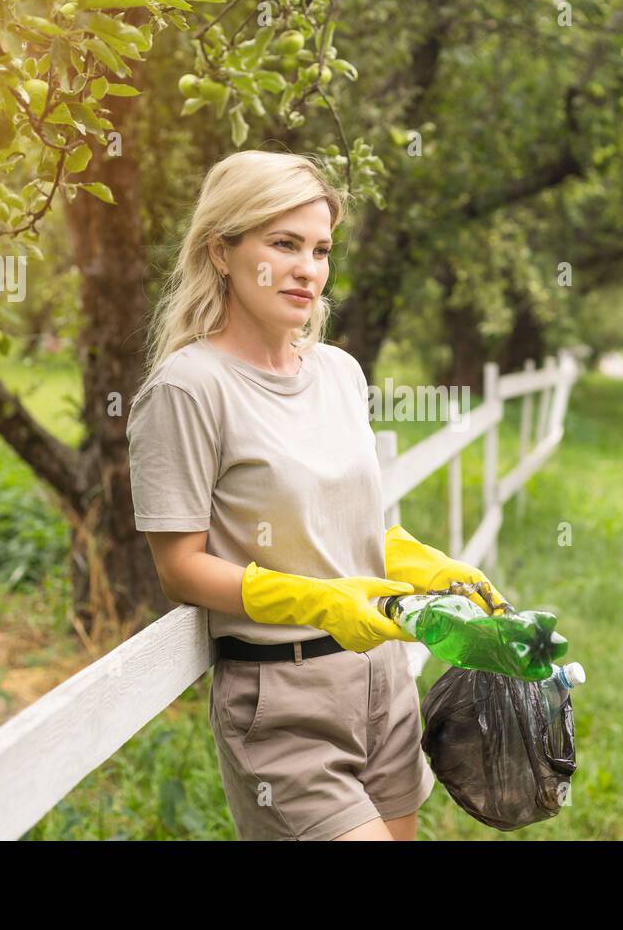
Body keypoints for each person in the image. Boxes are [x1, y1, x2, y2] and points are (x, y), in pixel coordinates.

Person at [125, 150, 509, 841]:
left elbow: (353, 527)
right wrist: (315, 600)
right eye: (283, 244)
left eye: (321, 249)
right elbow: (177, 565)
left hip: (384, 682)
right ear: (221, 250)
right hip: (281, 702)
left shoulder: (338, 372)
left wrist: (431, 568)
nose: (308, 268)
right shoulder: (189, 388)